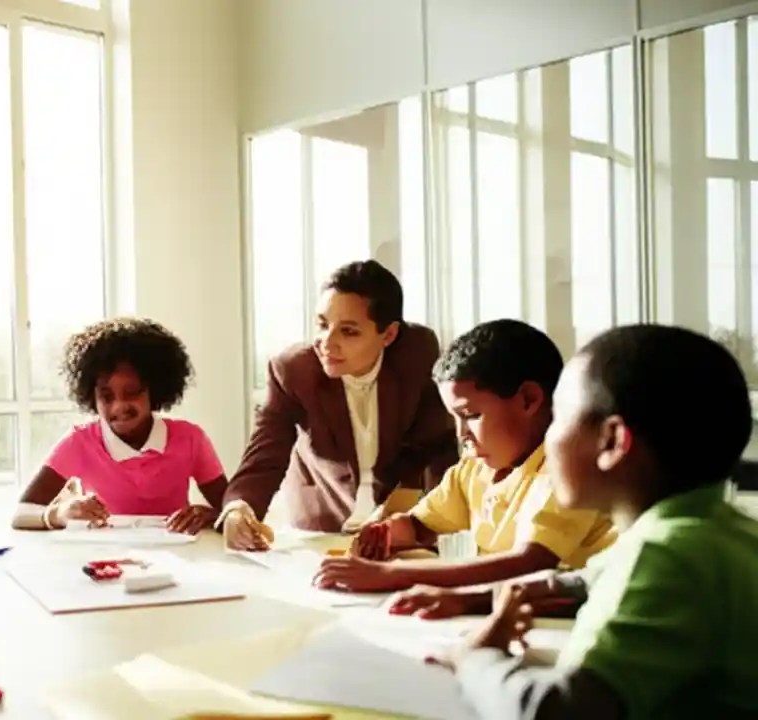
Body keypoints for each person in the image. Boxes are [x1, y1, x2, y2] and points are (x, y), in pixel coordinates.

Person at [429, 324, 758, 719]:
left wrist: (475, 659)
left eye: (560, 417)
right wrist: (475, 600)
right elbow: (582, 581)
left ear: (612, 442)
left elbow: (558, 712)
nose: (547, 437)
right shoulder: (718, 529)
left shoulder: (665, 554)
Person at [313, 320, 614, 592]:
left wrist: (394, 574)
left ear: (528, 399)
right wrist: (386, 532)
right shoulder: (475, 467)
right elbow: (422, 526)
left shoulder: (567, 465)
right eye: (454, 418)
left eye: (471, 415)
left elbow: (530, 563)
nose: (461, 435)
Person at [222, 260, 457, 549]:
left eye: (348, 332)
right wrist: (238, 507)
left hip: (397, 526)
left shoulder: (417, 352)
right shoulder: (294, 370)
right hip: (320, 528)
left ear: (389, 335)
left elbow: (434, 444)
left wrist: (422, 516)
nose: (327, 343)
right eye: (322, 325)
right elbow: (266, 451)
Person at [12, 318, 226, 534]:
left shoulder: (190, 439)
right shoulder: (80, 442)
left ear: (155, 390)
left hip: (180, 556)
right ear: (91, 397)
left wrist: (211, 514)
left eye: (132, 393)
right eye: (106, 396)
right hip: (105, 560)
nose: (119, 406)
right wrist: (58, 514)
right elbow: (21, 513)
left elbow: (232, 509)